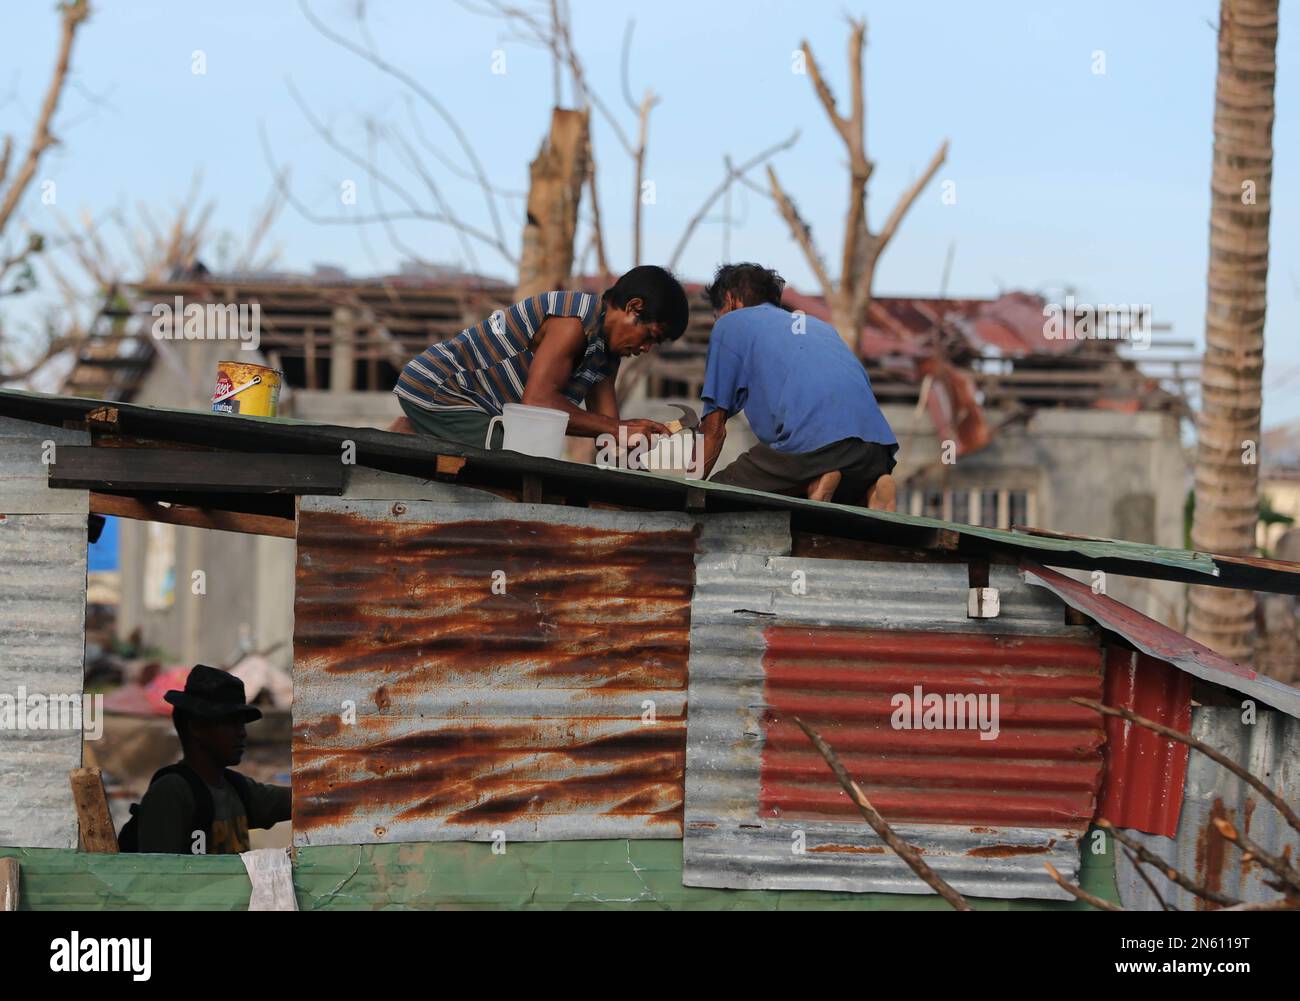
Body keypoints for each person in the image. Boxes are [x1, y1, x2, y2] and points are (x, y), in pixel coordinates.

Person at [392, 266, 690, 447]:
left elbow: (605, 430)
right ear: (632, 308)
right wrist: (620, 429)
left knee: (527, 450)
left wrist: (644, 442)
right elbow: (538, 403)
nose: (646, 348)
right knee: (510, 454)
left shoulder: (606, 355)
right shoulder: (573, 320)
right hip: (441, 389)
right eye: (650, 336)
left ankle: (413, 433)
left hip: (477, 408)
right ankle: (408, 435)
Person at [698, 262, 898, 508]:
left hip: (817, 447)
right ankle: (869, 493)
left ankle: (813, 483)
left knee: (719, 493)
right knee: (822, 487)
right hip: (876, 453)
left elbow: (713, 431)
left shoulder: (731, 324)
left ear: (730, 300)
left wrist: (688, 488)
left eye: (717, 314)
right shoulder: (819, 327)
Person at [120, 665, 291, 855]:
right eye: (230, 723)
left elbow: (295, 800)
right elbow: (158, 878)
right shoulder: (171, 792)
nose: (242, 733)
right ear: (196, 727)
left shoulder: (237, 788)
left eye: (242, 723)